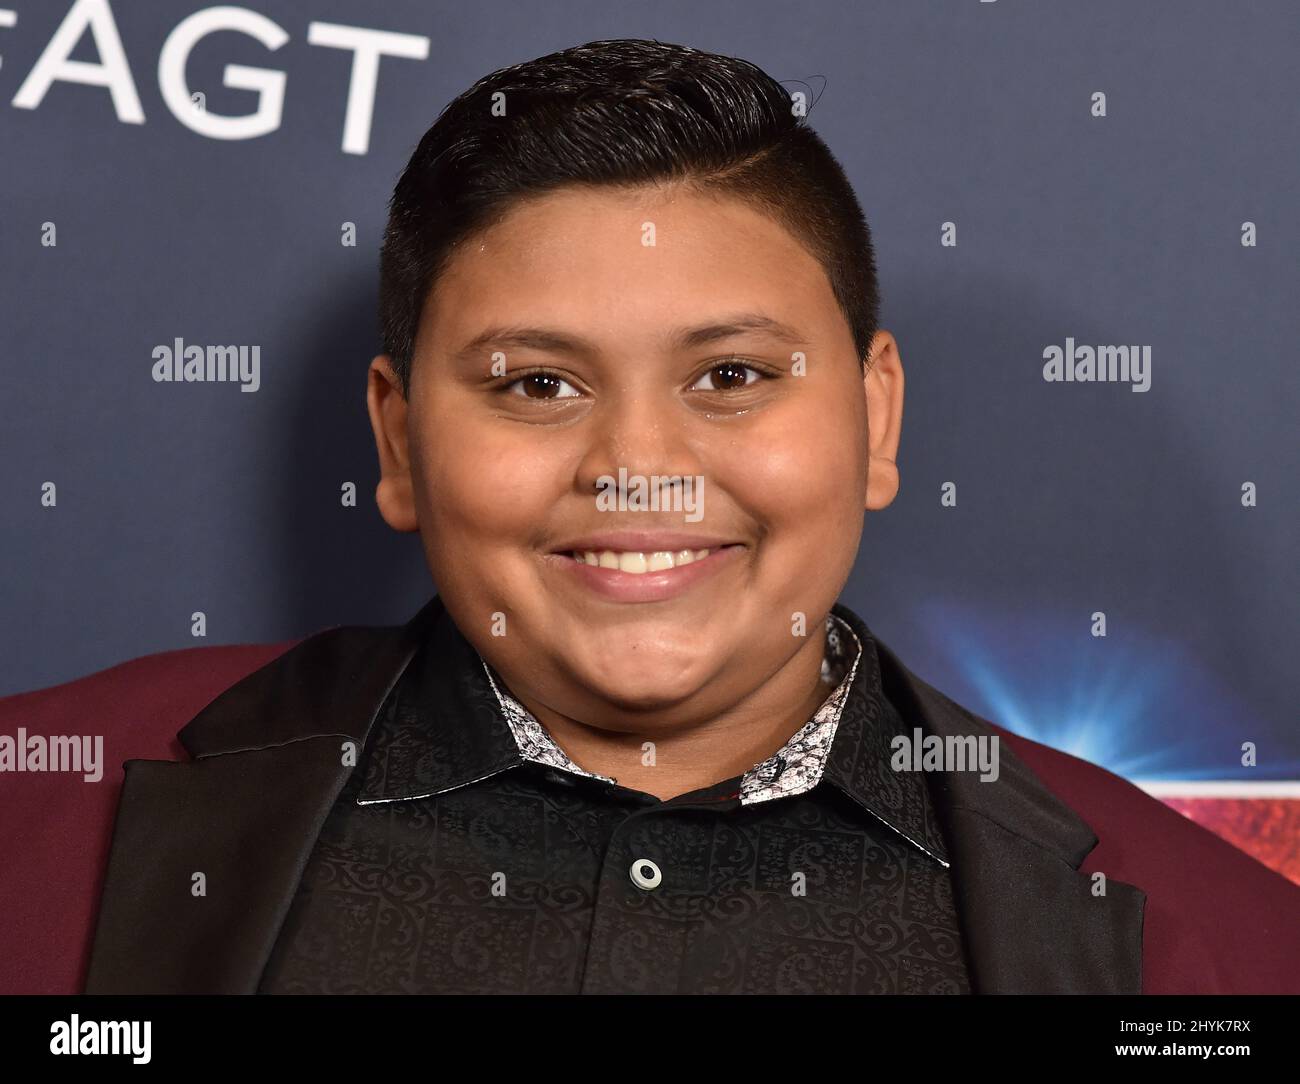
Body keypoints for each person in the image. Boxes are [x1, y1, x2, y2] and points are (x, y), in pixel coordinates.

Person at [5, 38, 1297, 995]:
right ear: (397, 440)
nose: (637, 470)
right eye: (537, 385)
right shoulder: (39, 813)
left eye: (731, 378)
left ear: (877, 420)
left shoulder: (1225, 951)